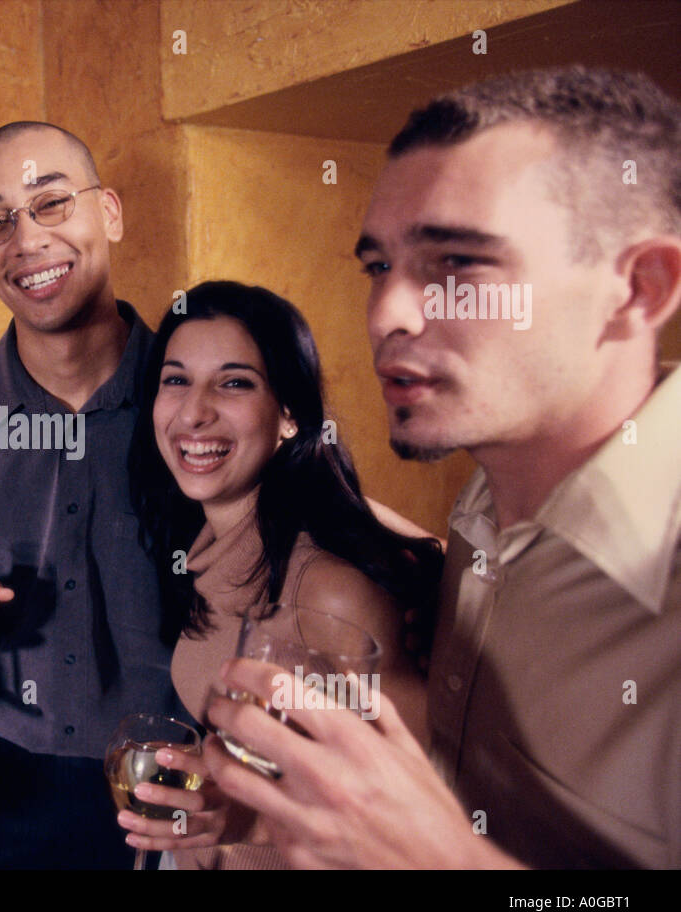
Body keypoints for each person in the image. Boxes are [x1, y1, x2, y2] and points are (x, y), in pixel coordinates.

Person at [204, 66, 681, 869]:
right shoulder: (481, 508)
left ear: (637, 289)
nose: (387, 314)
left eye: (458, 264)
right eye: (379, 267)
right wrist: (290, 817)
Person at [0, 121, 186, 868]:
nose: (25, 240)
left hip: (186, 785)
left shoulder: (199, 399)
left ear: (109, 214)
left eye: (51, 203)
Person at [122, 280, 441, 869]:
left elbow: (425, 802)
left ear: (290, 414)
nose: (194, 411)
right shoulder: (206, 543)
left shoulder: (329, 587)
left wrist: (248, 816)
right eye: (176, 379)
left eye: (235, 382)